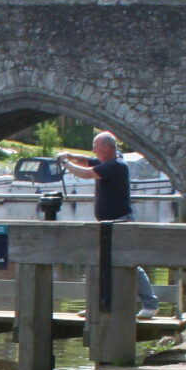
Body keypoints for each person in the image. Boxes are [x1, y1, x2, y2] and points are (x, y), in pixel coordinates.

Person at [58, 132, 159, 317]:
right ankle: (96, 304)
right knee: (100, 264)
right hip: (105, 224)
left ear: (106, 147)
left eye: (96, 146)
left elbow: (87, 173)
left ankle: (150, 305)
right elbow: (86, 161)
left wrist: (65, 163)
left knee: (130, 264)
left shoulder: (116, 165)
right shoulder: (106, 163)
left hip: (121, 222)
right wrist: (70, 156)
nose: (93, 150)